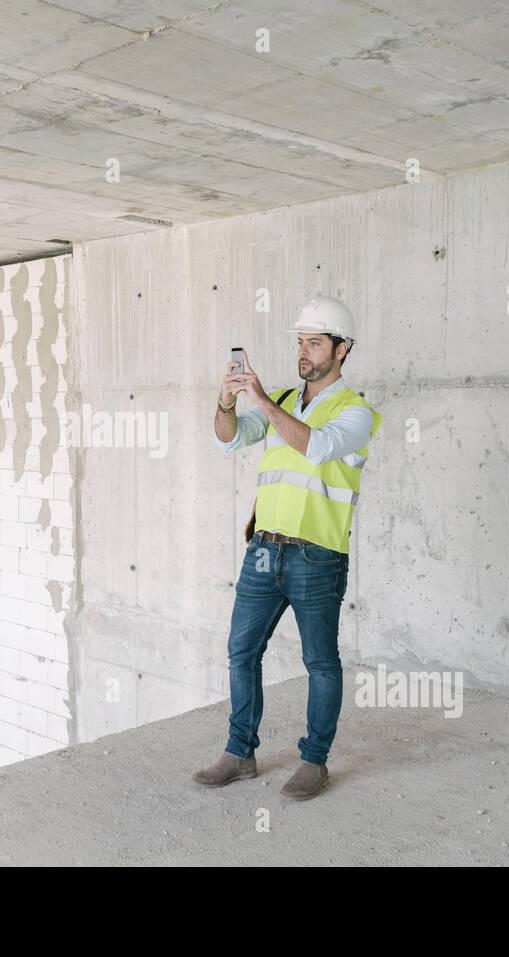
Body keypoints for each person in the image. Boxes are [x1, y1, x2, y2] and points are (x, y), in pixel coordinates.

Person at [194, 296, 382, 800]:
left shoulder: (357, 412)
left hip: (316, 555)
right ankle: (240, 753)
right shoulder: (279, 398)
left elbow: (316, 447)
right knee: (241, 651)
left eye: (315, 342)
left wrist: (262, 402)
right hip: (263, 550)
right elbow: (228, 440)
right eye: (300, 341)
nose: (303, 351)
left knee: (320, 662)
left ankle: (314, 760)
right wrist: (228, 401)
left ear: (341, 350)